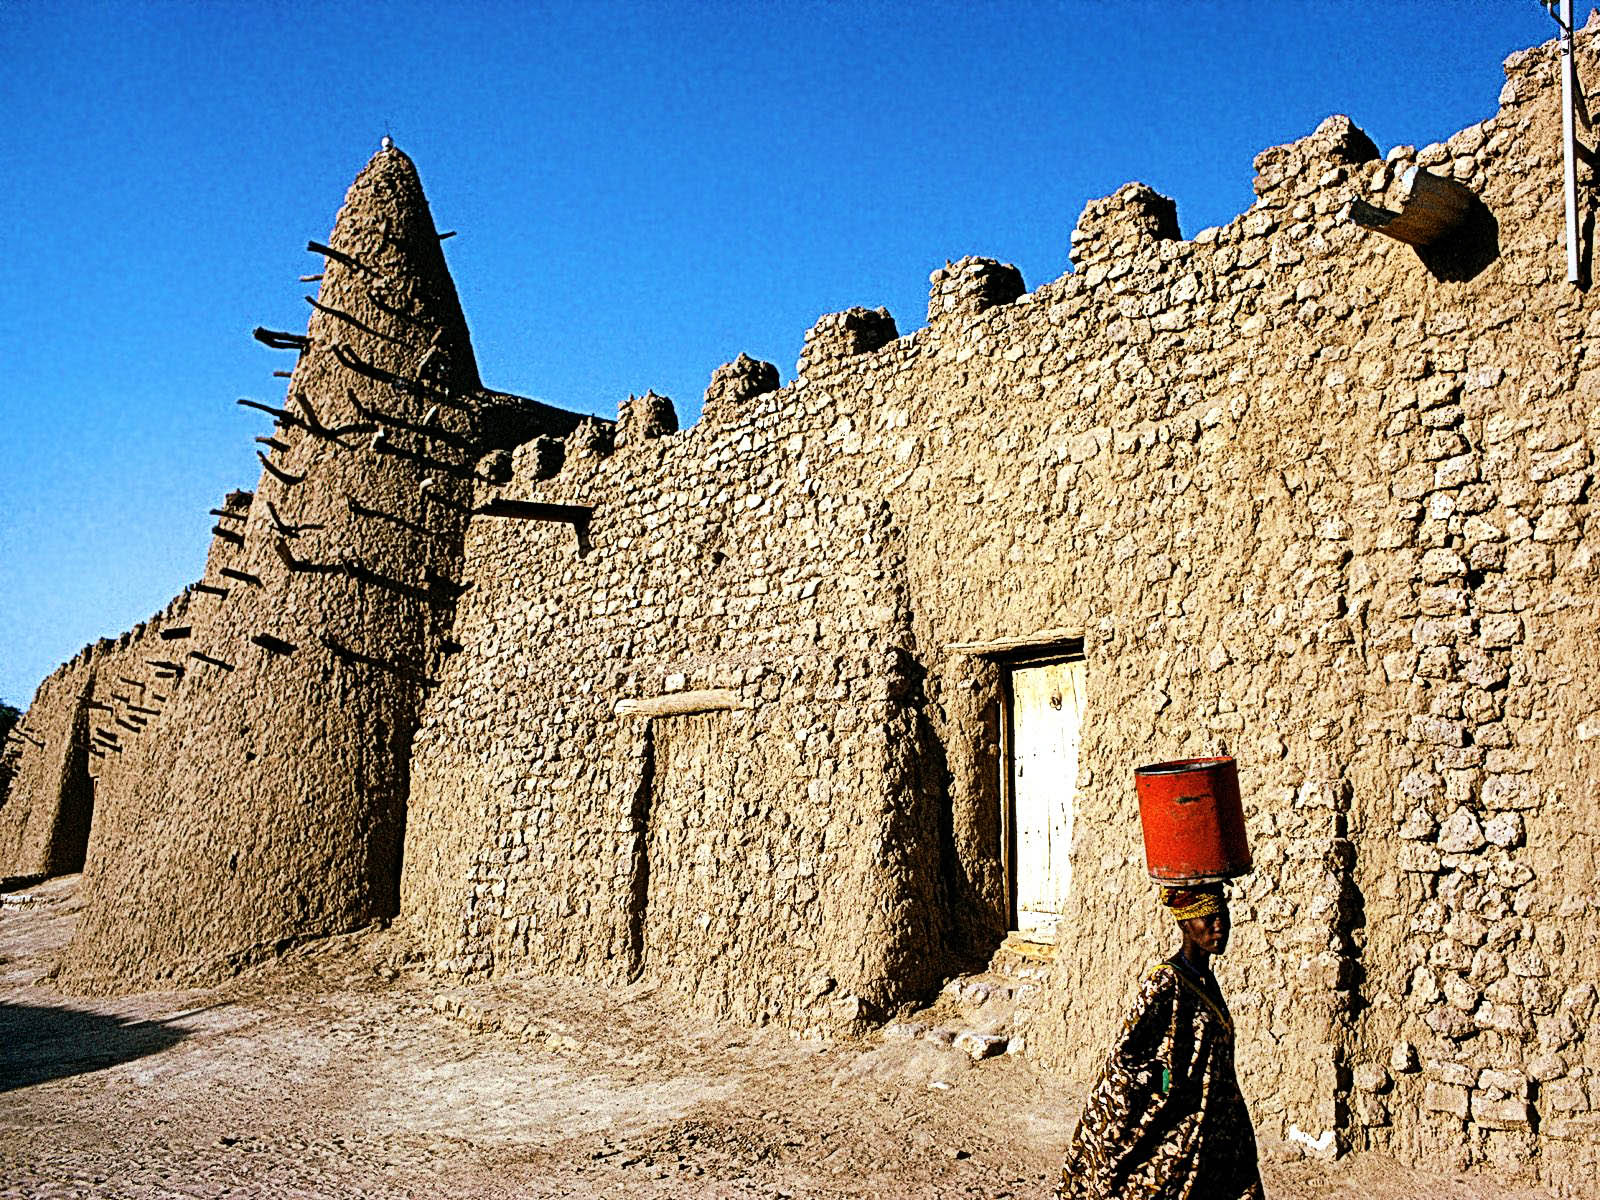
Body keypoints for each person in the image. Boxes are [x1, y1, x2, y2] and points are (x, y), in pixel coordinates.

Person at [1054, 883, 1264, 1200]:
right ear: (1184, 924)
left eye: (1222, 915)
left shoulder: (1205, 981)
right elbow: (1127, 1058)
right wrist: (1167, 1085)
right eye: (1207, 918)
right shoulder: (1167, 981)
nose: (1219, 926)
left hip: (1219, 1131)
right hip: (1183, 1126)